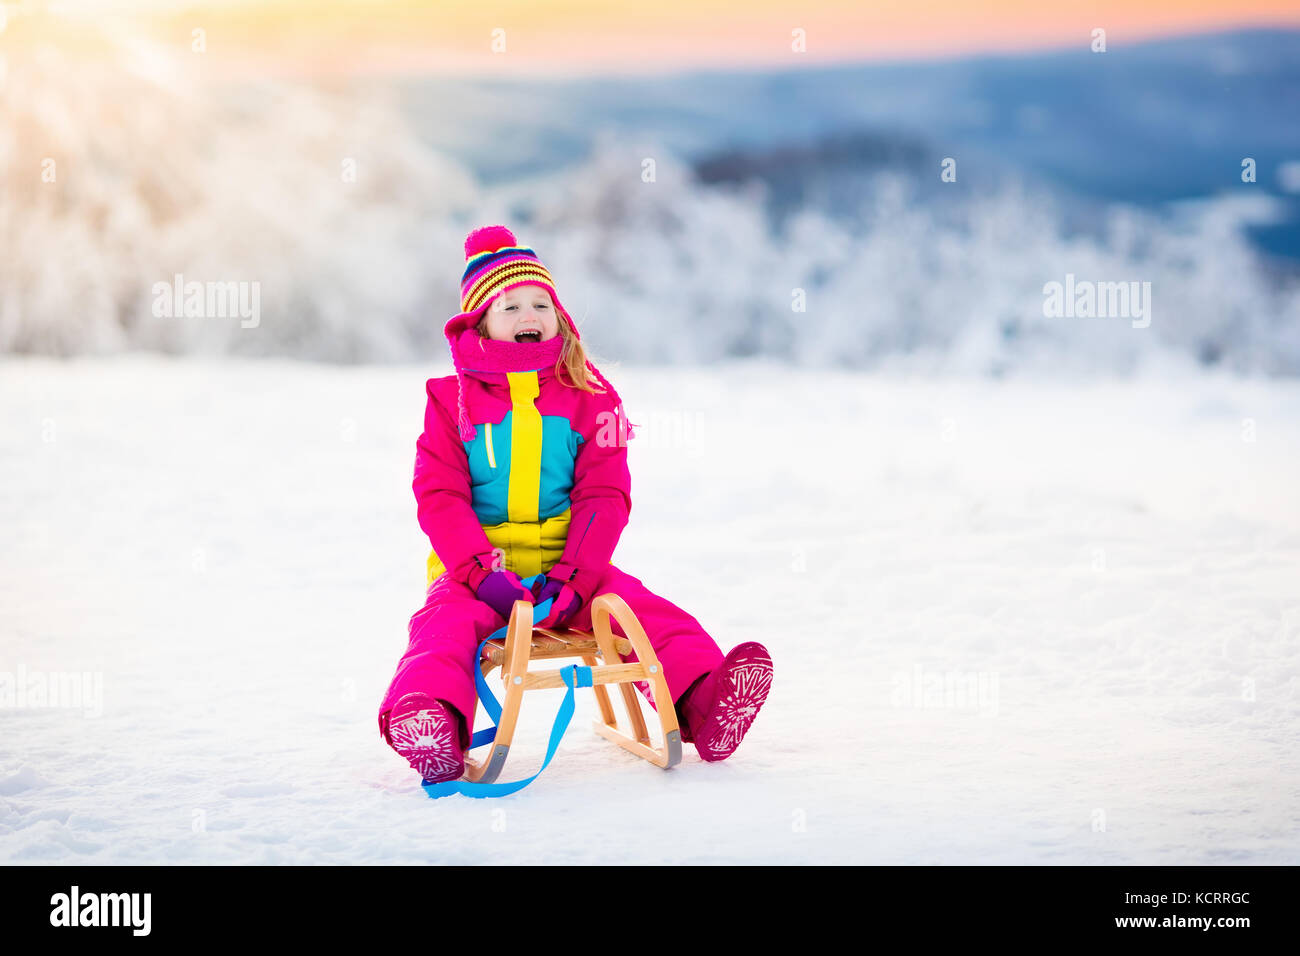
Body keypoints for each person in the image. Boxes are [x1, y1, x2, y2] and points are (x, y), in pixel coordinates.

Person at [377, 225, 773, 783]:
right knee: (444, 630)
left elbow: (604, 493)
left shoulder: (591, 395)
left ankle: (708, 702)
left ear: (558, 314)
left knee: (641, 612)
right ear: (481, 321)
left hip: (573, 568)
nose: (528, 312)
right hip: (476, 573)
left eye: (541, 301)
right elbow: (438, 495)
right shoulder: (449, 401)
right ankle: (432, 720)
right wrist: (480, 572)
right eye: (509, 304)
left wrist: (576, 576)